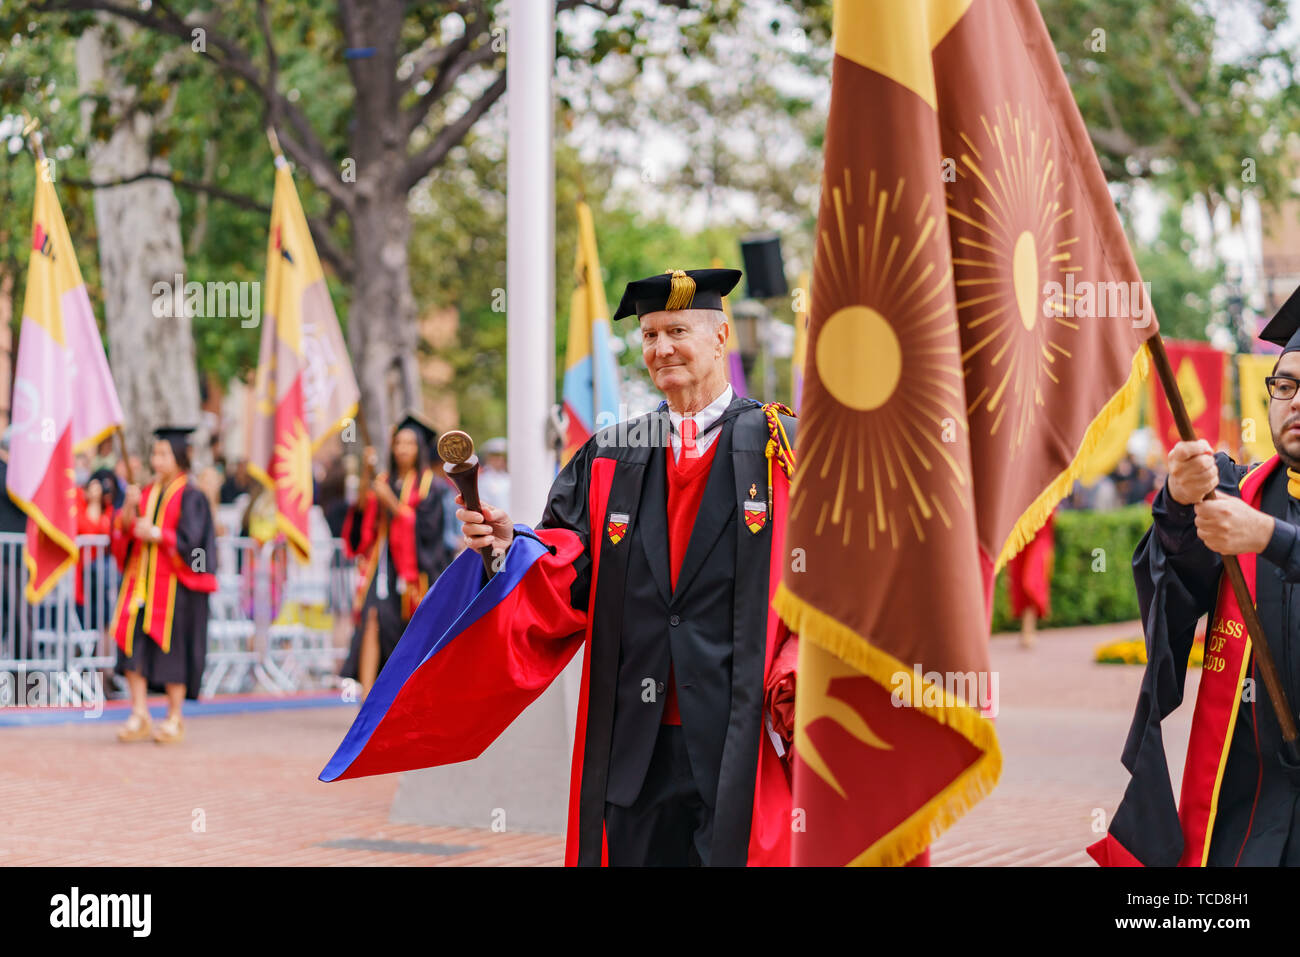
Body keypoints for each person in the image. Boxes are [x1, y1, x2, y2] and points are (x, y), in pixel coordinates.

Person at [353, 267, 800, 867]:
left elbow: (833, 585)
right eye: (648, 336)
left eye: (676, 331)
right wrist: (509, 548)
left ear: (721, 337)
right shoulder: (611, 455)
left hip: (741, 731)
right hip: (634, 736)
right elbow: (566, 567)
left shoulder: (782, 448)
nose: (661, 348)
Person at [1091, 284, 1300, 866]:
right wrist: (1180, 509)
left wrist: (1271, 540)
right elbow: (1175, 590)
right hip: (1249, 803)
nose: (1295, 402)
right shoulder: (1243, 492)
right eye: (1285, 386)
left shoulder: (1256, 520)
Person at [109, 427, 218, 744]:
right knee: (133, 646)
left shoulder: (191, 496)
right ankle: (140, 713)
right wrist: (129, 509)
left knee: (172, 653)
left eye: (163, 454)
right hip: (142, 585)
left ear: (180, 457)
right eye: (154, 454)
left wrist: (159, 535)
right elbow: (124, 535)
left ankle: (174, 717)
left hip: (176, 590)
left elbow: (196, 547)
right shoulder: (144, 492)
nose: (156, 460)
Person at [340, 412, 453, 698]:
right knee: (372, 618)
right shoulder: (384, 479)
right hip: (384, 565)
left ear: (419, 449)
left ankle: (409, 694)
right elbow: (365, 514)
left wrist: (390, 501)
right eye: (398, 443)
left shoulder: (431, 486)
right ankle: (366, 697)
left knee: (410, 629)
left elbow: (427, 530)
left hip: (416, 568)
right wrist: (367, 472)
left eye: (409, 444)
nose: (402, 449)